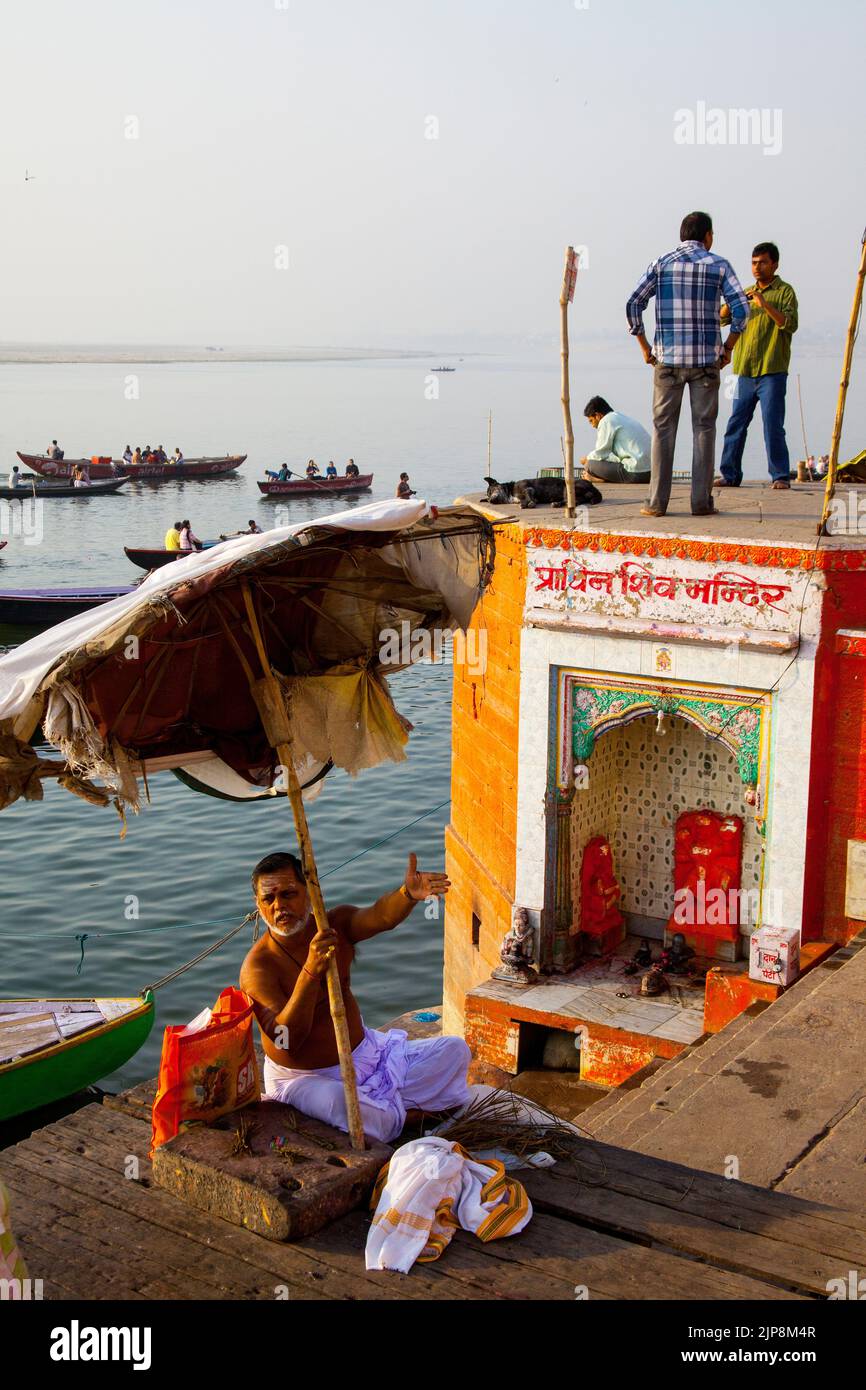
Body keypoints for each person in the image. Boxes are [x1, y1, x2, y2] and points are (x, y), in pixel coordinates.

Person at [240, 851, 471, 1143]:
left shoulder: (333, 926)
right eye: (268, 899)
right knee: (344, 1102)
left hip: (367, 1054)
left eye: (288, 894)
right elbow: (286, 1038)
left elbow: (379, 916)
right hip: (306, 1078)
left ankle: (390, 1105)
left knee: (455, 1051)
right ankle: (408, 1116)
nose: (279, 906)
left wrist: (408, 895)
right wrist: (311, 972)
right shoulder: (258, 967)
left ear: (310, 893)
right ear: (258, 905)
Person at [626, 210, 750, 517]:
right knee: (704, 429)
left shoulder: (661, 263)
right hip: (706, 363)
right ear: (707, 236)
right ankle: (700, 503)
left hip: (666, 361)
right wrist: (729, 347)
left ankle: (656, 503)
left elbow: (633, 304)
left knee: (662, 429)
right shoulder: (718, 265)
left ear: (683, 235)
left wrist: (645, 346)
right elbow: (742, 310)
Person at [716, 243, 799, 492]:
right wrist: (732, 301)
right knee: (735, 423)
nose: (757, 267)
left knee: (773, 424)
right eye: (753, 262)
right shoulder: (746, 292)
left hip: (772, 370)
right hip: (741, 370)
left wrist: (764, 304)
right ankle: (729, 474)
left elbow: (789, 324)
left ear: (774, 264)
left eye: (762, 262)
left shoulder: (785, 292)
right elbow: (721, 318)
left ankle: (780, 475)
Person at [580, 396, 651, 483]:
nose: (593, 425)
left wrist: (586, 459)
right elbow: (616, 456)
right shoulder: (620, 418)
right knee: (596, 461)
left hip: (636, 473)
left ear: (598, 415)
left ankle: (600, 479)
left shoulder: (606, 421)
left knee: (590, 465)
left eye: (591, 421)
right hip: (651, 472)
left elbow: (600, 453)